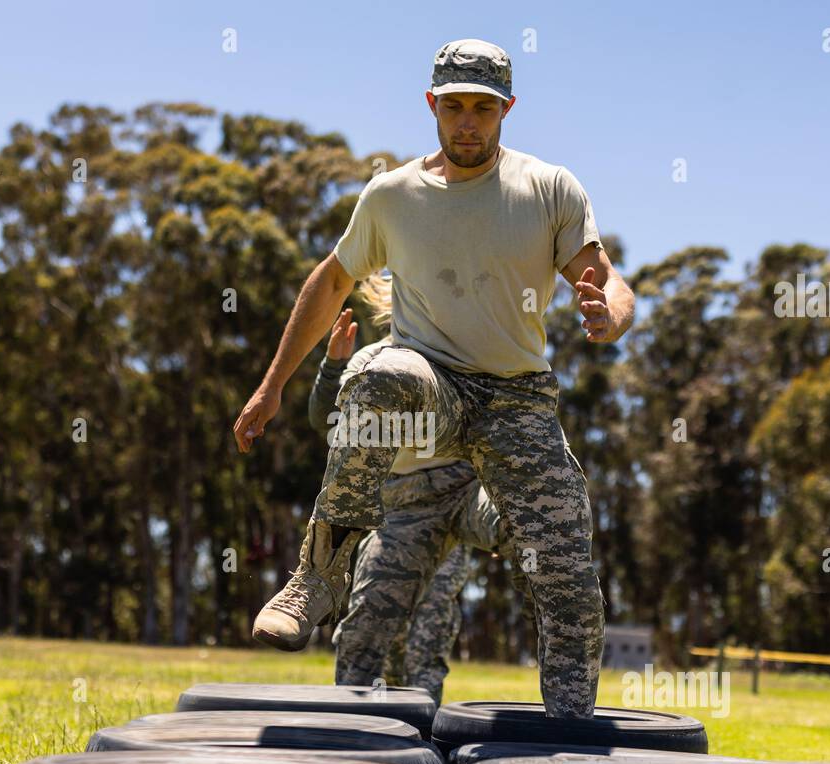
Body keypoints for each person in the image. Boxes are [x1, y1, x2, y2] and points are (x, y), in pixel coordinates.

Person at [233, 38, 634, 716]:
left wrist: (612, 314)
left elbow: (606, 278)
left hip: (516, 400)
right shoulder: (392, 196)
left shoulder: (548, 187)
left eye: (484, 107)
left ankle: (571, 729)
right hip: (432, 383)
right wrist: (270, 387)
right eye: (455, 108)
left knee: (567, 569)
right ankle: (315, 576)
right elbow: (331, 280)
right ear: (432, 105)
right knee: (380, 372)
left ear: (508, 108)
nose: (468, 123)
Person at [307, 277, 536, 704]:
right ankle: (365, 723)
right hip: (399, 508)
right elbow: (326, 417)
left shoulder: (464, 357)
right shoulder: (373, 360)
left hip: (464, 491)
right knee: (370, 622)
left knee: (430, 629)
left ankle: (429, 725)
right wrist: (332, 366)